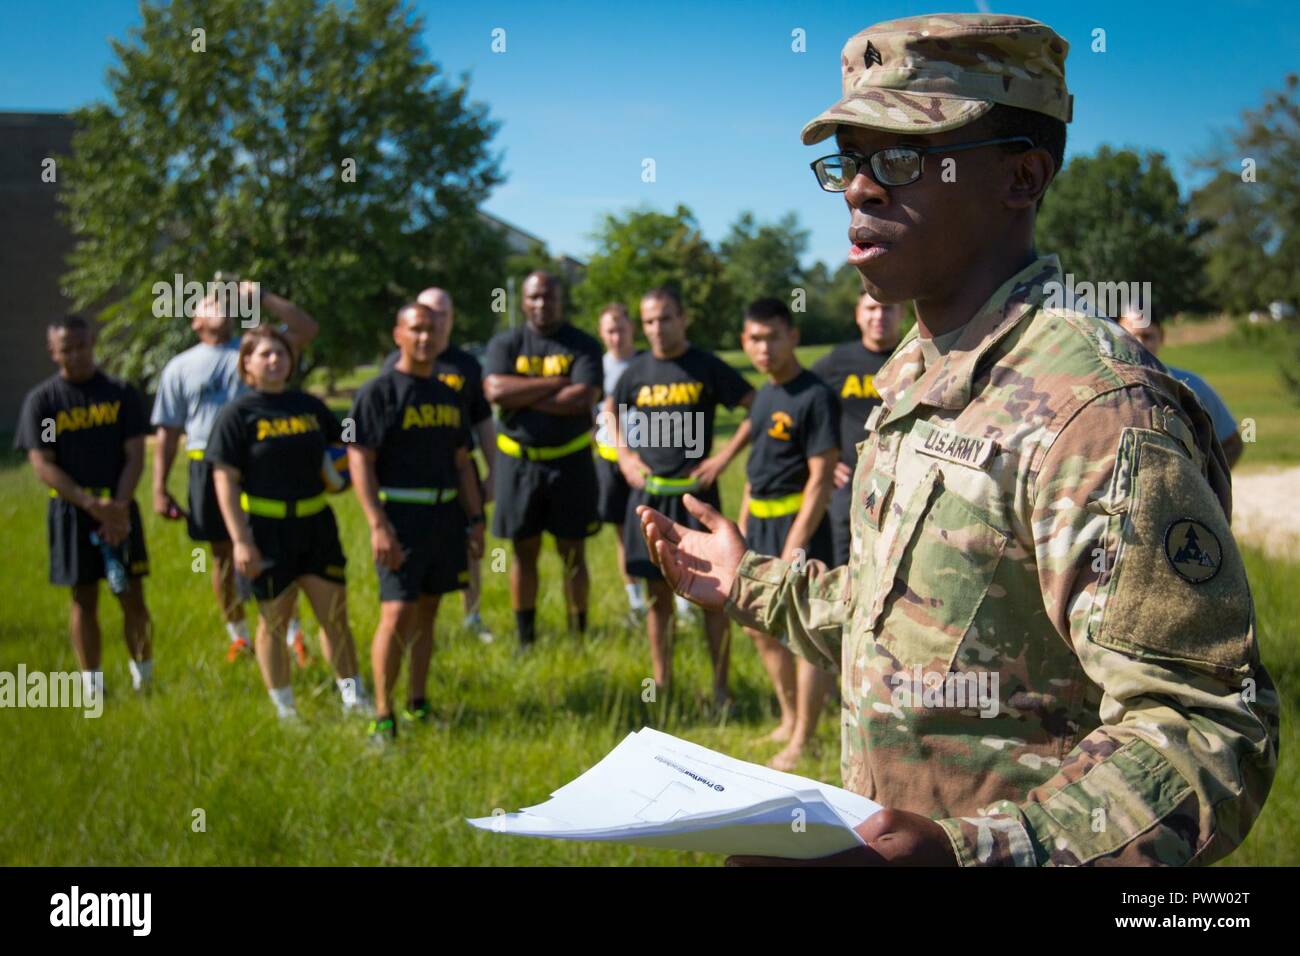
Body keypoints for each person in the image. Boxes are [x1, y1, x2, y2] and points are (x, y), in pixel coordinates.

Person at [637, 13, 1277, 866]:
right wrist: (748, 582)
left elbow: (1204, 732)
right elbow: (902, 625)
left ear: (1021, 176)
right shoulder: (917, 376)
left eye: (901, 159)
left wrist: (971, 853)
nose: (861, 189)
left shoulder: (1096, 411)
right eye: (849, 163)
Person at [151, 281, 319, 663]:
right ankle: (239, 635)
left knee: (274, 547)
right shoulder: (180, 367)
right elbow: (169, 431)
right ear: (194, 321)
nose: (220, 307)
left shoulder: (254, 352)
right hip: (205, 465)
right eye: (210, 303)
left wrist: (262, 298)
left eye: (224, 301)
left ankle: (292, 633)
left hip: (257, 462)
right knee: (223, 557)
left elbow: (306, 330)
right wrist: (159, 487)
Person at [206, 325, 366, 720]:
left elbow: (342, 451)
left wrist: (342, 472)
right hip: (265, 531)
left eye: (281, 353)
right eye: (265, 354)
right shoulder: (236, 415)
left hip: (316, 524)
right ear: (247, 364)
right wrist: (241, 540)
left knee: (335, 619)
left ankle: (354, 697)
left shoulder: (310, 407)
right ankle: (285, 709)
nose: (275, 360)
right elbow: (224, 480)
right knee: (273, 623)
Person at [608, 287, 754, 706]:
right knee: (657, 598)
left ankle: (722, 690)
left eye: (666, 318)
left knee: (713, 598)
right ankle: (663, 685)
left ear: (683, 318)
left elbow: (754, 403)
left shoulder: (705, 365)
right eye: (650, 321)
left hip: (696, 502)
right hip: (652, 499)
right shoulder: (635, 370)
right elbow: (610, 408)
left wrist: (723, 457)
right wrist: (624, 455)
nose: (657, 328)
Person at [351, 303, 486, 743]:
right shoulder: (377, 392)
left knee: (429, 612)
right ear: (398, 334)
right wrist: (377, 523)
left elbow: (463, 462)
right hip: (399, 515)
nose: (425, 337)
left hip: (445, 516)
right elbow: (360, 459)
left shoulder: (449, 394)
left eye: (432, 330)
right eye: (416, 329)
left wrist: (476, 517)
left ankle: (417, 703)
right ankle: (383, 715)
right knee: (396, 612)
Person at [15, 315, 153, 701]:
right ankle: (92, 685)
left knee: (132, 595)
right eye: (66, 350)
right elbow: (44, 461)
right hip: (73, 512)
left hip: (120, 507)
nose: (76, 356)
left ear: (93, 343)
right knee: (83, 598)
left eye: (82, 346)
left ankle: (144, 677)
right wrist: (91, 504)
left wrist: (118, 508)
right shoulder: (45, 403)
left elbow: (135, 454)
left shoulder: (120, 394)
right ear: (53, 352)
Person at [737, 298, 840, 770]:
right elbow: (753, 474)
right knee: (760, 627)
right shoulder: (763, 396)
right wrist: (741, 526)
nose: (764, 347)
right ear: (745, 342)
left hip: (798, 528)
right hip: (758, 524)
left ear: (792, 337)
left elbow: (821, 477)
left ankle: (804, 739)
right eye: (755, 339)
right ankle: (787, 716)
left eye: (773, 336)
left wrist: (794, 545)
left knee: (803, 634)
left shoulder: (814, 395)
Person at [482, 271, 603, 649]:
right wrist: (556, 385)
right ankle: (526, 639)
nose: (541, 304)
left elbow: (583, 398)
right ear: (523, 300)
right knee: (523, 552)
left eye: (548, 297)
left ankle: (579, 633)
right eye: (534, 297)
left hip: (570, 463)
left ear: (560, 299)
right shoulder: (507, 342)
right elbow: (496, 390)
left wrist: (524, 396)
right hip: (518, 465)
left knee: (573, 552)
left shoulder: (582, 344)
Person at [382, 287, 497, 642]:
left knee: (472, 541)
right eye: (430, 313)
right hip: (411, 479)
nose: (437, 321)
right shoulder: (395, 364)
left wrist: (494, 470)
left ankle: (472, 615)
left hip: (459, 468)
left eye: (444, 314)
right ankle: (408, 617)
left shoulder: (466, 365)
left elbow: (483, 421)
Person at [811, 291, 903, 569]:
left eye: (887, 309)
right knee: (844, 561)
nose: (879, 316)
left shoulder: (918, 355)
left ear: (901, 313)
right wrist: (827, 460)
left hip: (903, 479)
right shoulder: (837, 362)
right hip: (848, 481)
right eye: (871, 308)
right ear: (857, 314)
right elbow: (804, 404)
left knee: (896, 558)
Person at [1117, 307, 1244, 468]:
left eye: (1147, 336)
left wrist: (1203, 484)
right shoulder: (1103, 390)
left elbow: (1232, 444)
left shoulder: (1191, 386)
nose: (1140, 343)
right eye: (1131, 336)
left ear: (1161, 336)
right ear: (1117, 337)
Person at [593, 302, 647, 618]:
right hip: (610, 460)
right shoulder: (597, 368)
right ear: (602, 333)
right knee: (623, 531)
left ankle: (679, 598)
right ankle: (635, 599)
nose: (616, 337)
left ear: (632, 330)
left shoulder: (646, 363)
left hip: (646, 458)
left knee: (657, 527)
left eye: (621, 329)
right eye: (610, 331)